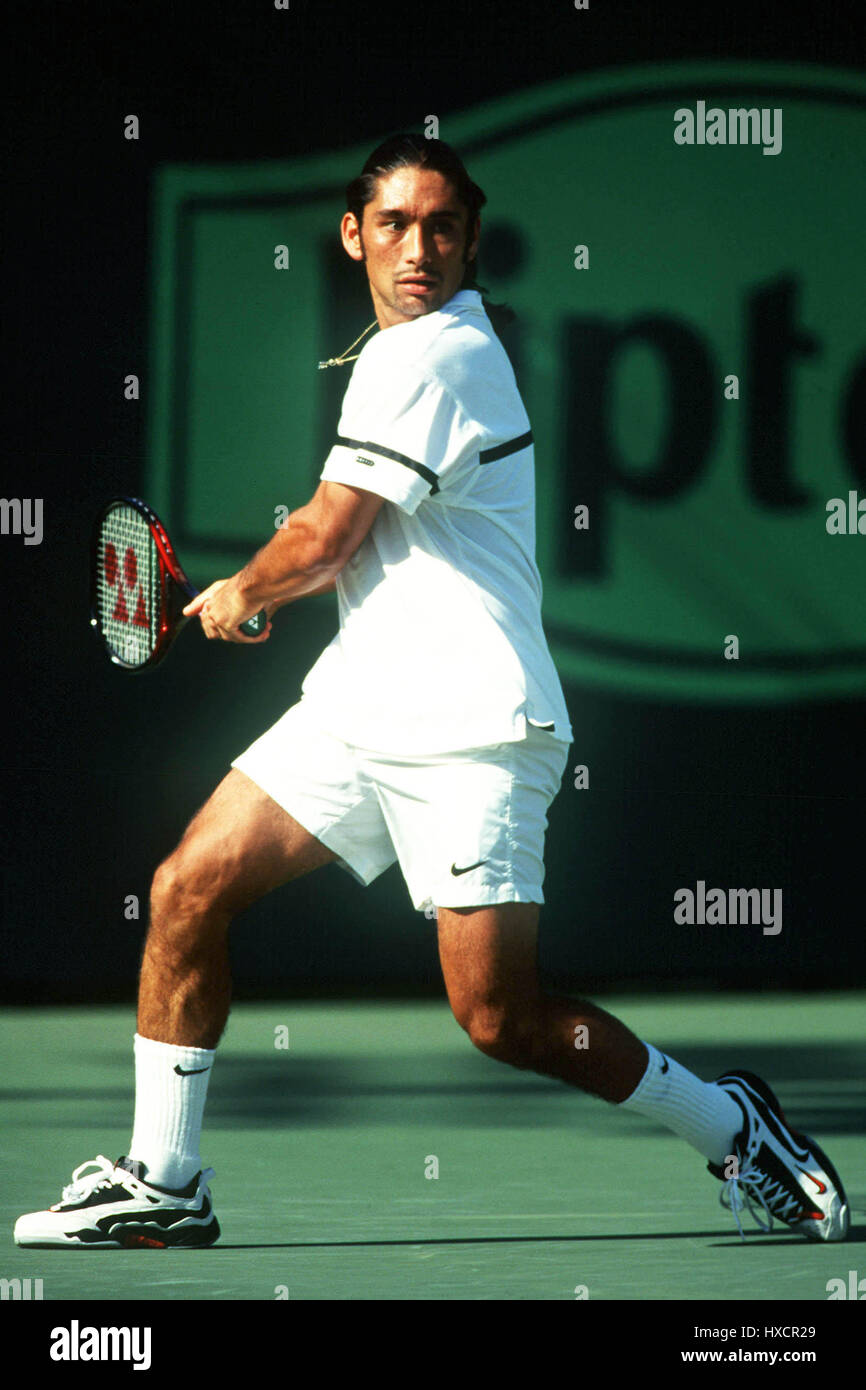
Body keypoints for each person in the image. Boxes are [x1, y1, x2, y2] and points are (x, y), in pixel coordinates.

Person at [14, 135, 848, 1249]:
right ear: (352, 235)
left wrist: (239, 595)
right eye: (395, 224)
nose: (419, 247)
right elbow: (339, 547)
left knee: (501, 1019)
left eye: (442, 225)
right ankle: (165, 1178)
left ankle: (729, 1124)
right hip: (362, 704)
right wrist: (265, 591)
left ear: (468, 241)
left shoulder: (439, 355)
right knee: (185, 890)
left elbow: (323, 537)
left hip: (474, 729)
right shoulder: (396, 350)